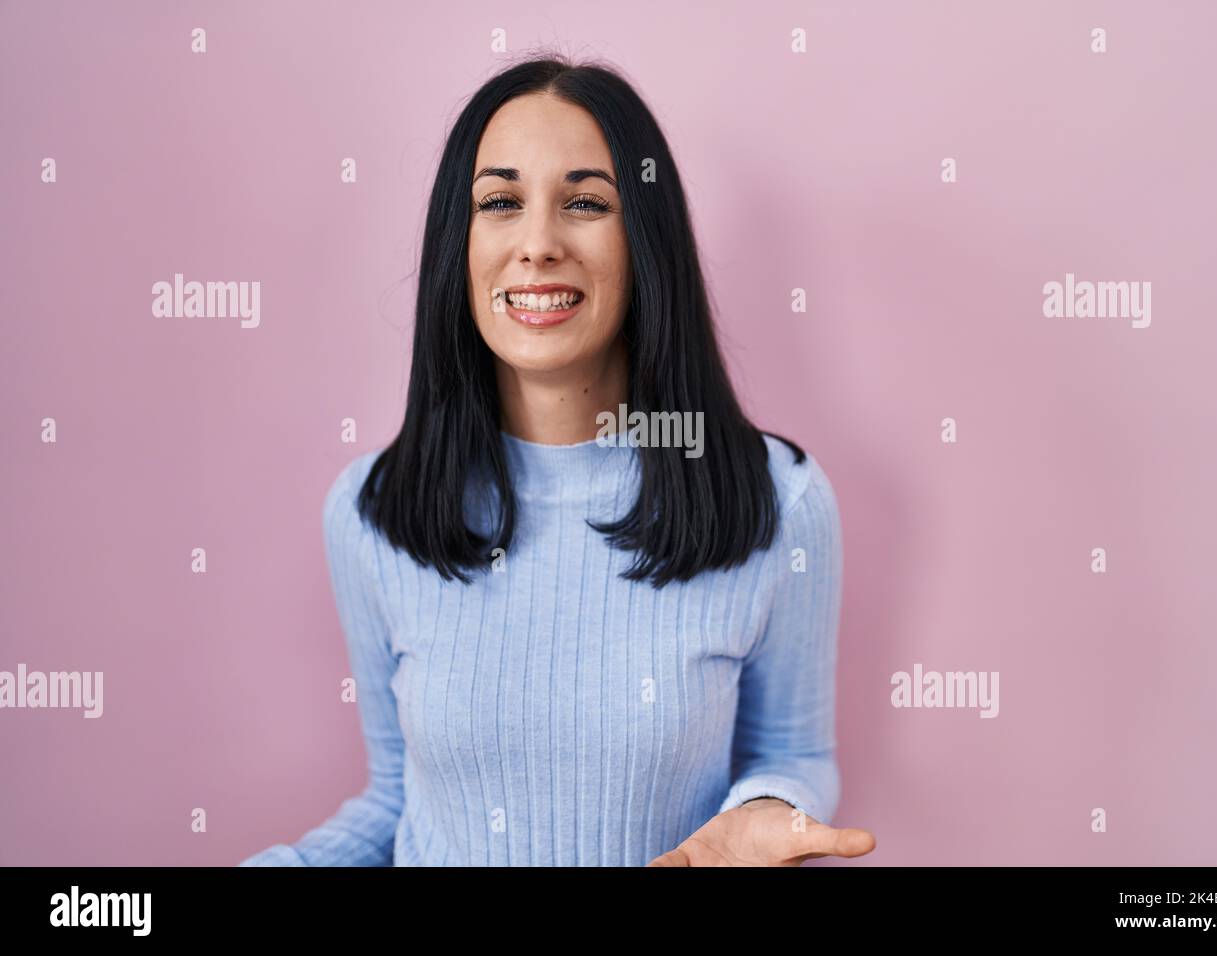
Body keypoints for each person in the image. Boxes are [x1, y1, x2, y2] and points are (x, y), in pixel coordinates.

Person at [240, 54, 875, 867]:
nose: (537, 245)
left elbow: (792, 751)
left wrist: (764, 811)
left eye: (584, 203)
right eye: (500, 202)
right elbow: (400, 800)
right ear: (457, 245)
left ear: (645, 241)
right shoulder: (370, 510)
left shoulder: (778, 502)